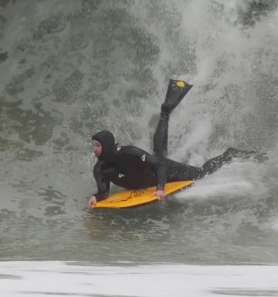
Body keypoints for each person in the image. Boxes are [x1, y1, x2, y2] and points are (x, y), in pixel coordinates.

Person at [87, 79, 263, 209]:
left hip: (163, 171)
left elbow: (159, 166)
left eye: (97, 145)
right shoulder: (100, 169)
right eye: (93, 145)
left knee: (202, 173)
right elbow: (103, 192)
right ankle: (165, 112)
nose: (94, 149)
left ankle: (228, 155)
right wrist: (96, 198)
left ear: (108, 145)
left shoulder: (130, 153)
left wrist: (160, 189)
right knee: (159, 152)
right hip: (148, 176)